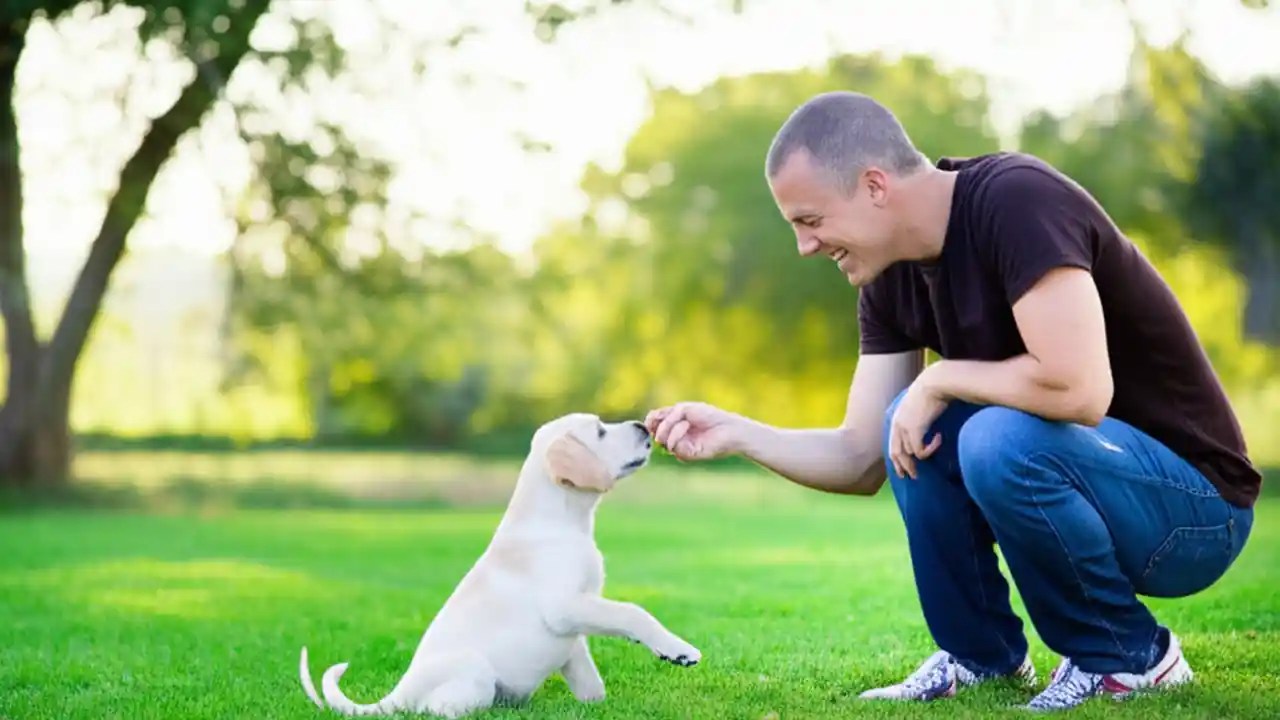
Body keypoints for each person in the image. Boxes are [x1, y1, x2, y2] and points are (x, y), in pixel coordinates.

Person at [643, 91, 1260, 712]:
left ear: (875, 186)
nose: (805, 246)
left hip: (1196, 512)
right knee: (911, 428)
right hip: (1103, 488)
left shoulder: (1017, 200)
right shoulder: (887, 274)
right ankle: (981, 657)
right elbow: (862, 457)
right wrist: (738, 433)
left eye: (810, 220)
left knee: (992, 436)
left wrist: (938, 381)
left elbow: (1079, 388)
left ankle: (1130, 659)